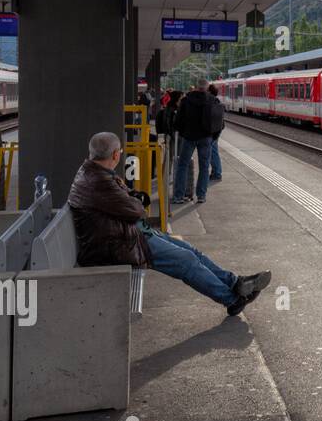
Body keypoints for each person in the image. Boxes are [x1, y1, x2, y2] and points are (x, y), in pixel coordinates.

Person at [68, 132, 270, 316]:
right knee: (186, 260)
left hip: (127, 233)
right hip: (119, 245)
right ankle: (232, 299)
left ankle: (235, 282)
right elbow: (137, 210)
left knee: (191, 251)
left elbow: (128, 205)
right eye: (120, 152)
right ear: (115, 155)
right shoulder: (99, 181)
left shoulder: (93, 173)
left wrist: (132, 201)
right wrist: (135, 202)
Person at [172, 80, 213, 205]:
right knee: (204, 167)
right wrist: (212, 136)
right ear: (207, 88)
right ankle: (201, 196)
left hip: (189, 137)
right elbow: (219, 122)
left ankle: (179, 196)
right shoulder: (212, 100)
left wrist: (183, 132)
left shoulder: (186, 100)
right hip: (206, 137)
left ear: (195, 87)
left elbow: (178, 120)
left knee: (182, 166)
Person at [206, 84, 225, 181]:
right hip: (216, 131)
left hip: (212, 132)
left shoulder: (211, 102)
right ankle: (216, 172)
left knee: (213, 153)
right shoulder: (217, 102)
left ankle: (217, 173)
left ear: (209, 92)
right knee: (214, 152)